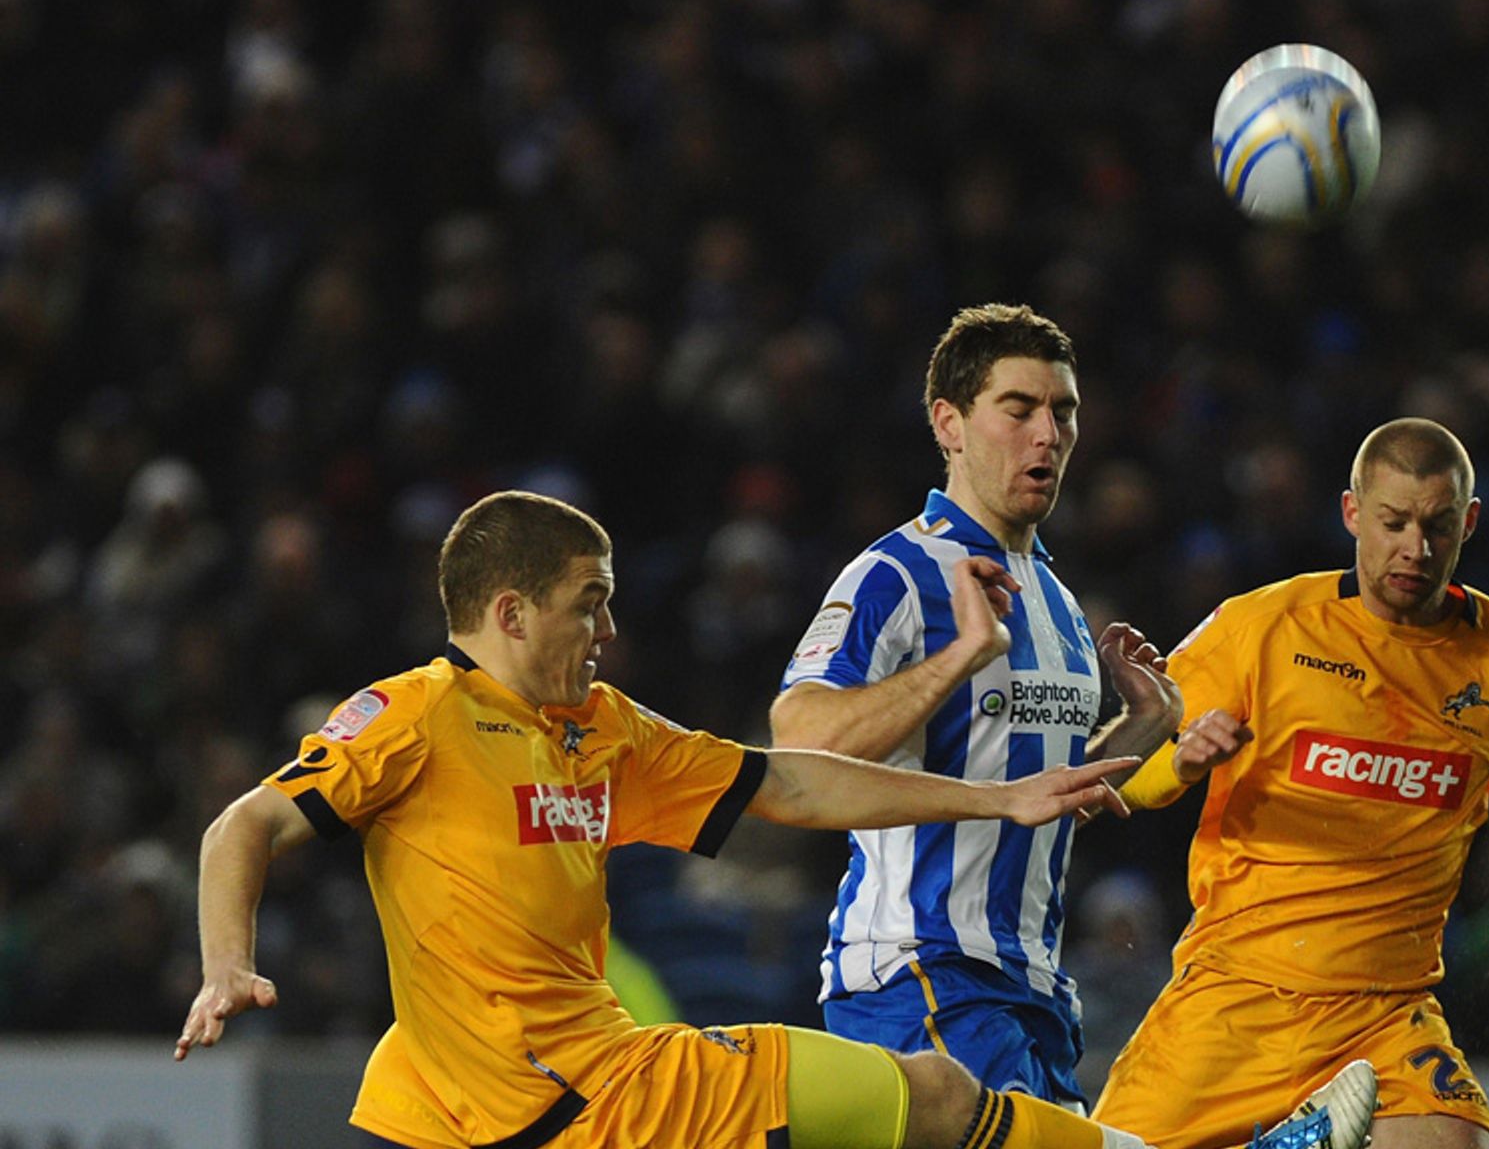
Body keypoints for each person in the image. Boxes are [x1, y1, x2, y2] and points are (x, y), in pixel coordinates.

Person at [173, 490, 1376, 1149]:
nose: (605, 629)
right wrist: (227, 966)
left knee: (941, 1105)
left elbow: (788, 780)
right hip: (530, 1106)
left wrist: (996, 796)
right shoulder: (413, 718)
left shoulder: (603, 727)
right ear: (506, 609)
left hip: (599, 1100)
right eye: (586, 605)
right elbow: (245, 825)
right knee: (944, 1101)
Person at [1094, 418, 1489, 1149]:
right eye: (1393, 523)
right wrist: (1184, 765)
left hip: (1385, 1014)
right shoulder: (1260, 629)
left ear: (1469, 524)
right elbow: (1121, 786)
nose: (1414, 549)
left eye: (1437, 526)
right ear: (1353, 512)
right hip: (1235, 999)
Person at [770, 303, 1182, 1110]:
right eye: (1019, 409)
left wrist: (1144, 729)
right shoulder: (896, 572)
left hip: (1034, 983)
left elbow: (1025, 800)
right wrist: (958, 655)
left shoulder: (1058, 601)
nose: (1049, 434)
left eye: (1063, 412)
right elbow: (798, 739)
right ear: (949, 424)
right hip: (919, 969)